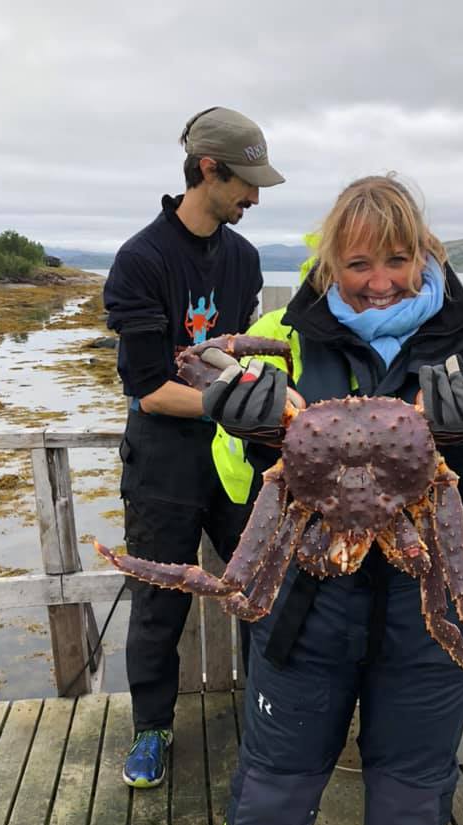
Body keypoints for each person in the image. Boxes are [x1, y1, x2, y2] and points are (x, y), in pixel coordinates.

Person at [203, 175, 463, 825]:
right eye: (358, 263)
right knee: (277, 763)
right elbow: (233, 481)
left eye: (398, 258)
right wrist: (247, 433)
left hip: (432, 593)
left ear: (426, 251)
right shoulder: (278, 332)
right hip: (303, 600)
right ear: (328, 260)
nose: (380, 279)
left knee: (415, 763)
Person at [104, 107, 284, 789]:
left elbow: (249, 357)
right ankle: (152, 728)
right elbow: (150, 389)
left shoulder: (243, 257)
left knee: (259, 591)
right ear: (208, 168)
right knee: (158, 599)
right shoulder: (141, 260)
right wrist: (238, 401)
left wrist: (265, 407)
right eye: (245, 182)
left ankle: (265, 718)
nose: (255, 197)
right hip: (165, 461)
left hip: (237, 457)